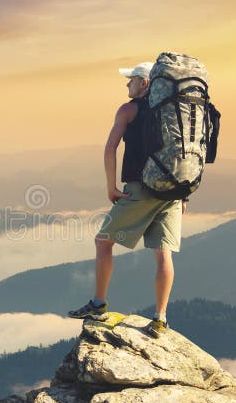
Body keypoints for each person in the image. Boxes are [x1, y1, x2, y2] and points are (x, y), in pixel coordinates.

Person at [67, 61, 187, 338]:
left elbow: (110, 148)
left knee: (103, 241)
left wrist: (111, 186)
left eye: (131, 79)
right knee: (163, 253)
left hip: (141, 188)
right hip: (173, 190)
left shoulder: (129, 110)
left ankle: (98, 304)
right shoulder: (174, 110)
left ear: (144, 83)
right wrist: (183, 193)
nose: (127, 84)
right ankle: (160, 318)